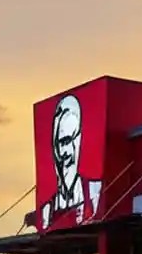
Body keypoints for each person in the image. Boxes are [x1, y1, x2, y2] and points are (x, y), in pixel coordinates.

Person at [40, 94, 101, 229]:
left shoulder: (97, 192)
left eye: (71, 140)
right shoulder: (47, 211)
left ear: (79, 140)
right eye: (61, 143)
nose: (66, 152)